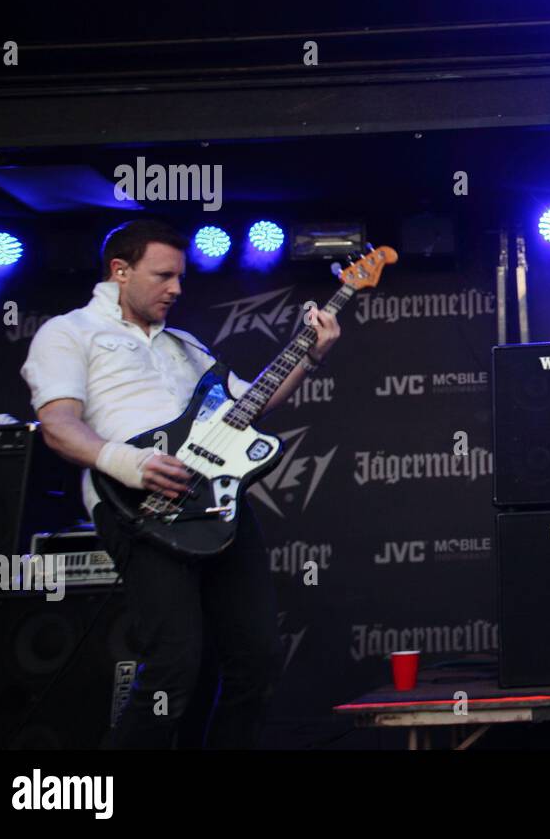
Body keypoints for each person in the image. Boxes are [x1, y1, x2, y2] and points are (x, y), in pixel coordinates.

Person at [20, 219, 341, 748]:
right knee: (173, 667)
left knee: (256, 660)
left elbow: (250, 404)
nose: (177, 288)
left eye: (181, 277)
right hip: (138, 504)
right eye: (163, 275)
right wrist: (128, 463)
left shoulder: (186, 346)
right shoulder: (68, 332)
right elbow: (58, 424)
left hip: (218, 501)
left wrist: (309, 353)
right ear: (120, 272)